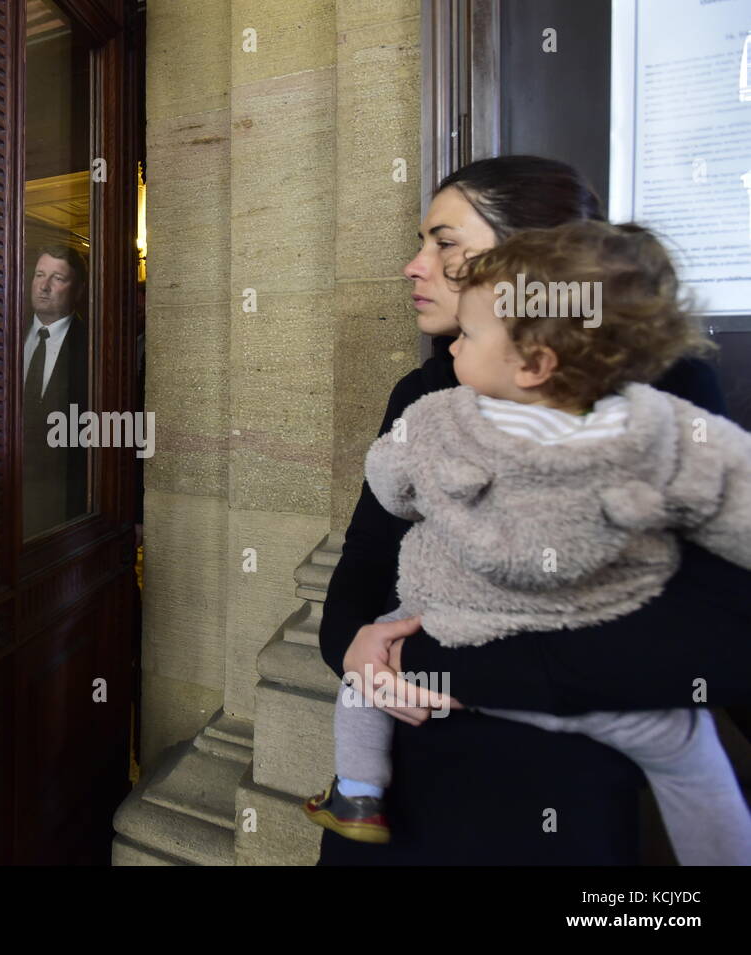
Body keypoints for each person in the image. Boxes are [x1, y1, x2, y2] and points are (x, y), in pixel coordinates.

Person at [317, 155, 751, 865]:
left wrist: (432, 659)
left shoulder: (660, 395)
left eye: (444, 241)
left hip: (551, 783)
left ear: (534, 255)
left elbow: (719, 630)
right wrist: (355, 650)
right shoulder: (425, 392)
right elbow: (367, 555)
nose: (414, 265)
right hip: (408, 765)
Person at [22, 245, 88, 538]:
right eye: (39, 275)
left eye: (58, 278)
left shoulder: (96, 346)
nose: (44, 286)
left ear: (79, 289)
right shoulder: (0, 332)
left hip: (67, 505)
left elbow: (123, 437)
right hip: (2, 497)